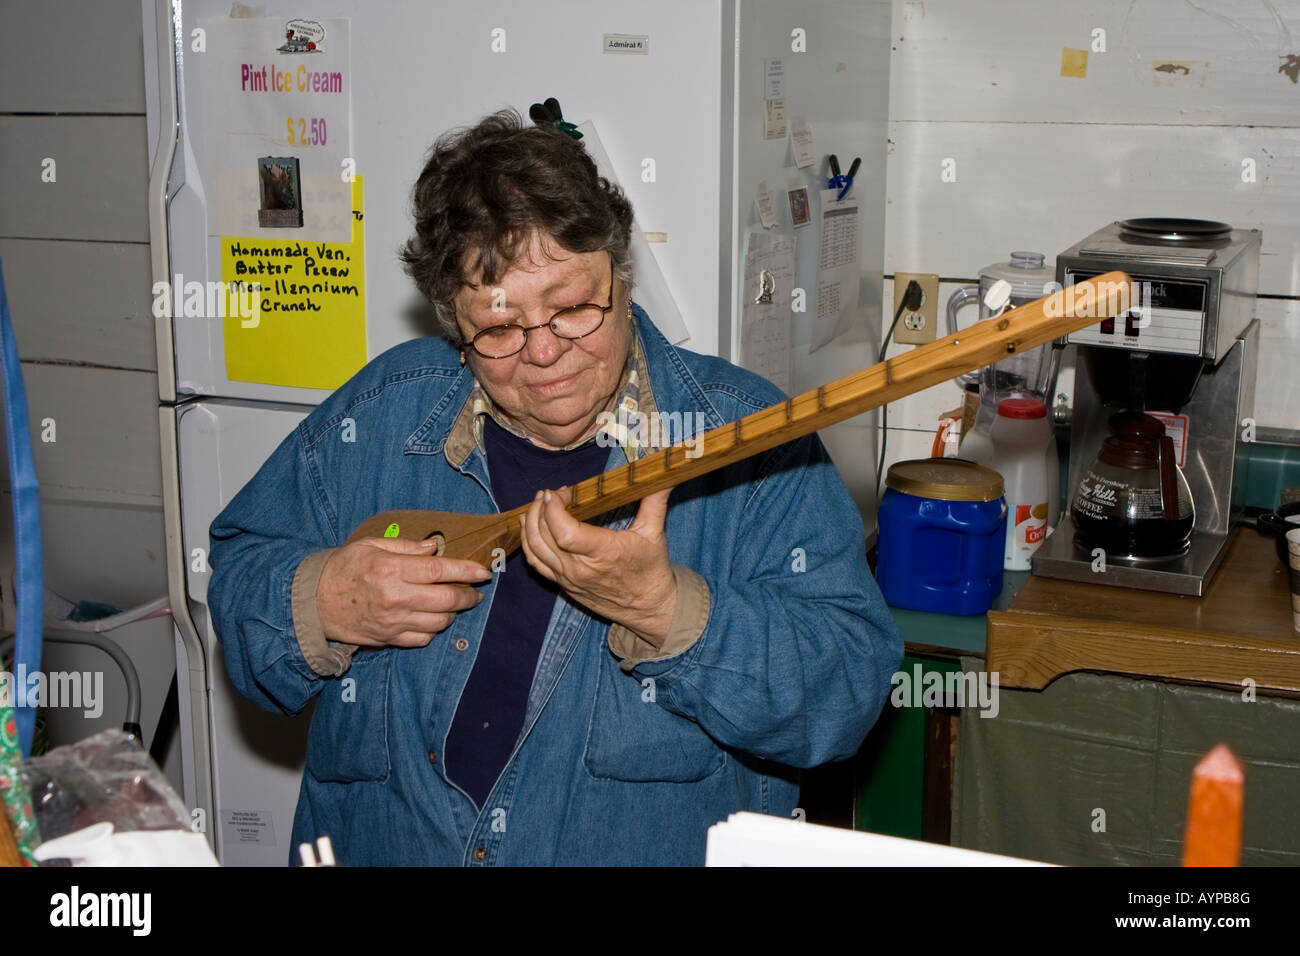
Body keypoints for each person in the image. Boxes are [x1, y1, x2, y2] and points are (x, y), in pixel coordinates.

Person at [207, 108, 902, 866]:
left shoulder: (750, 440)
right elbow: (238, 586)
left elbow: (847, 695)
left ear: (620, 277)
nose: (544, 353)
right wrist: (323, 600)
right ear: (453, 326)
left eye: (573, 308)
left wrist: (668, 613)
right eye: (500, 329)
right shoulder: (378, 415)